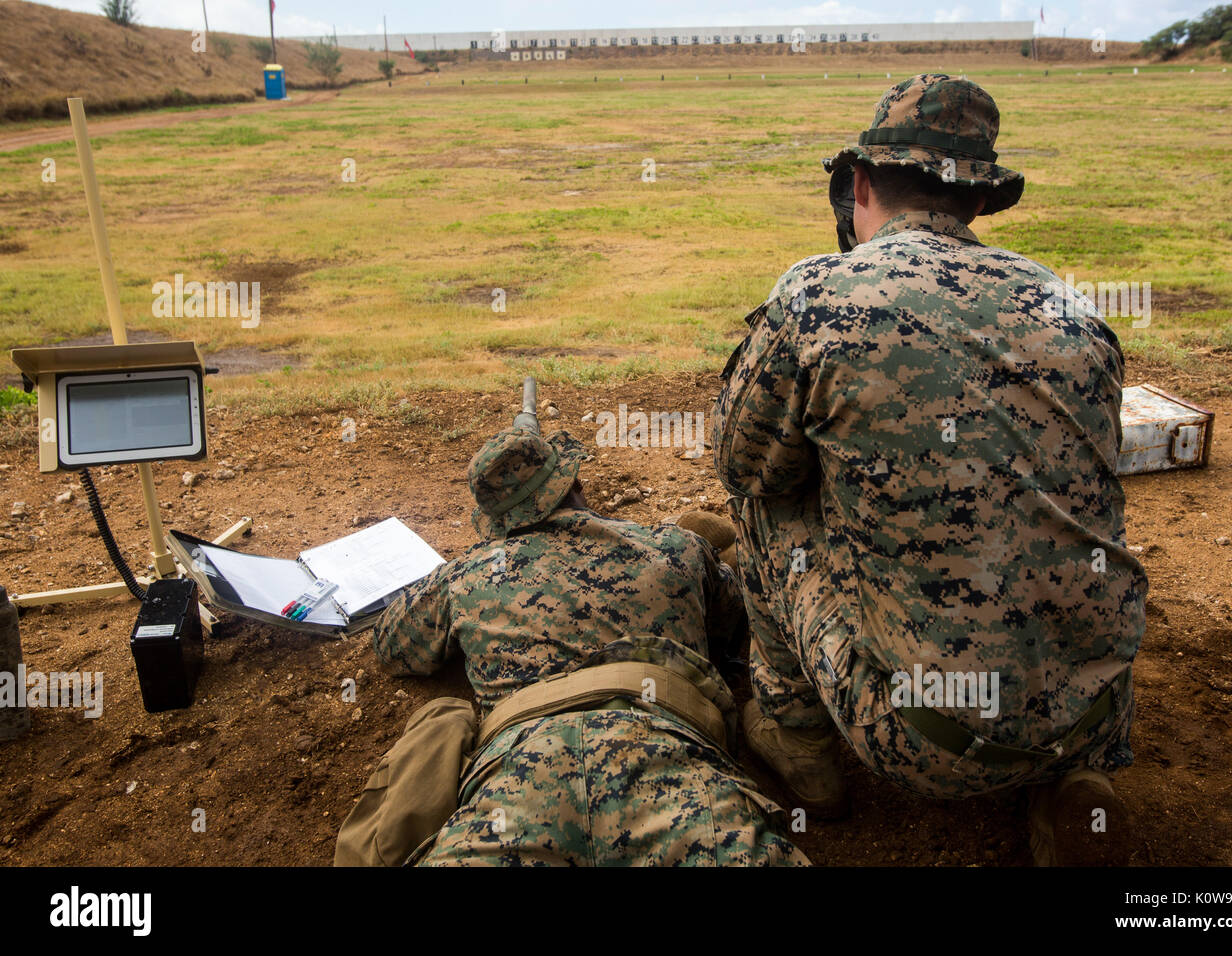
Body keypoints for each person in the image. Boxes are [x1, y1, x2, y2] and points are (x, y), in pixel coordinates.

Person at [713, 73, 1148, 866]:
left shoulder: (817, 295)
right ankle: (1069, 782)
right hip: (1092, 706)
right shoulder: (1073, 307)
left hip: (925, 734)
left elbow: (744, 464)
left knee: (763, 506)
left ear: (861, 185)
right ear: (978, 201)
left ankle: (794, 733)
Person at [356, 424, 807, 867]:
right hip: (666, 756)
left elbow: (394, 646)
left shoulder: (465, 575)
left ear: (495, 521)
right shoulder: (675, 547)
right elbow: (734, 619)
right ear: (575, 483)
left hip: (518, 780)